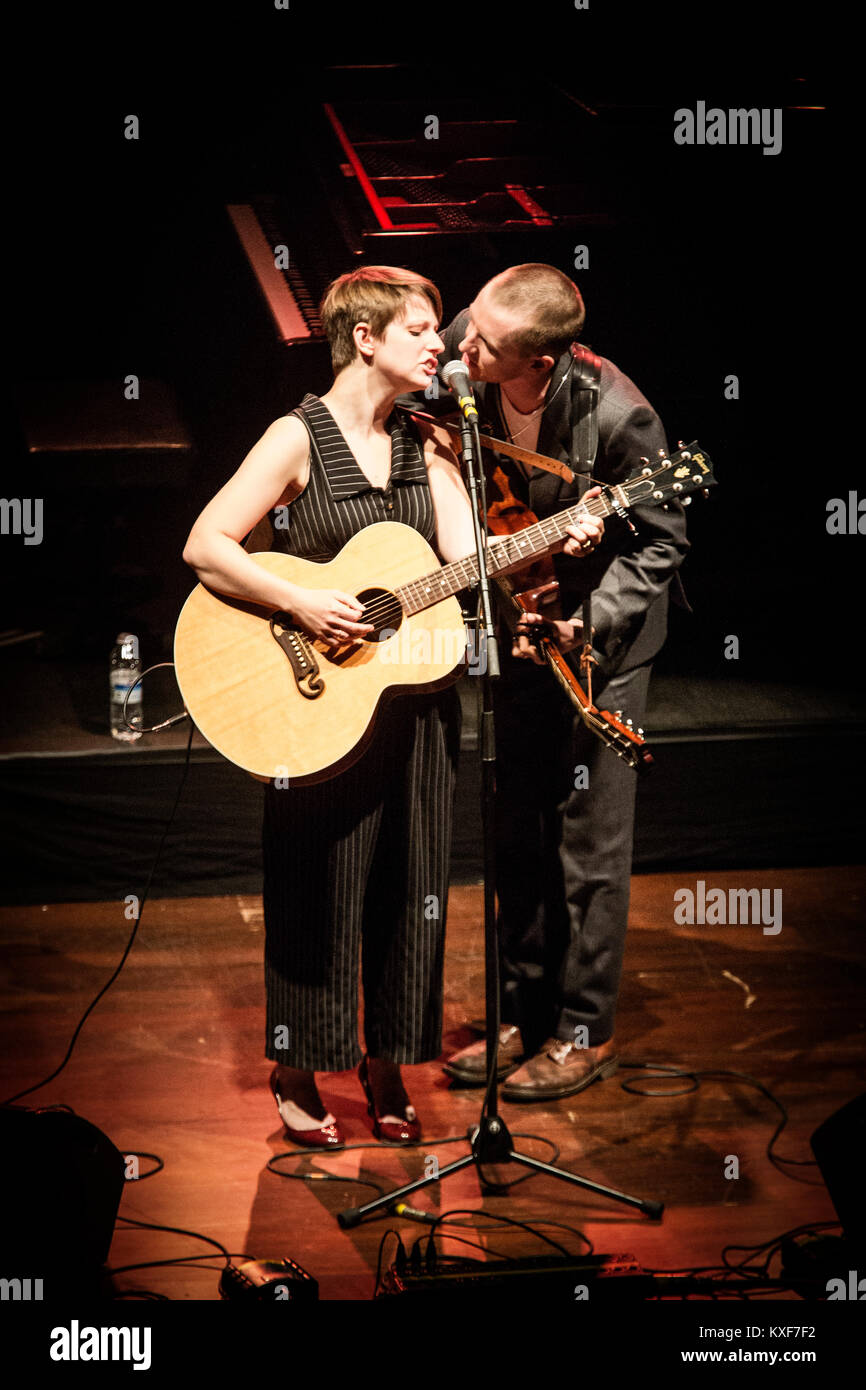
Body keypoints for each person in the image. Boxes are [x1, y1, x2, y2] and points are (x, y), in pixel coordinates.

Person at [182, 264, 607, 1146]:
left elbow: (465, 556)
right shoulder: (295, 436)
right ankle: (299, 1063)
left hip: (414, 703)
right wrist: (299, 601)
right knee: (317, 889)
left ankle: (385, 1063)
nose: (440, 344)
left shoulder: (434, 441)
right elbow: (207, 544)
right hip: (311, 700)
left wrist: (557, 531)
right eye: (420, 329)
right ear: (366, 339)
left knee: (411, 886)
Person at [441, 263, 689, 1101]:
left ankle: (586, 1032)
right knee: (518, 827)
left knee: (589, 847)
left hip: (598, 643)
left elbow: (661, 542)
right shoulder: (469, 347)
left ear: (541, 361)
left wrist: (588, 616)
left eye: (484, 345)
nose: (460, 349)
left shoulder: (619, 415)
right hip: (517, 624)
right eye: (466, 327)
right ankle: (523, 1010)